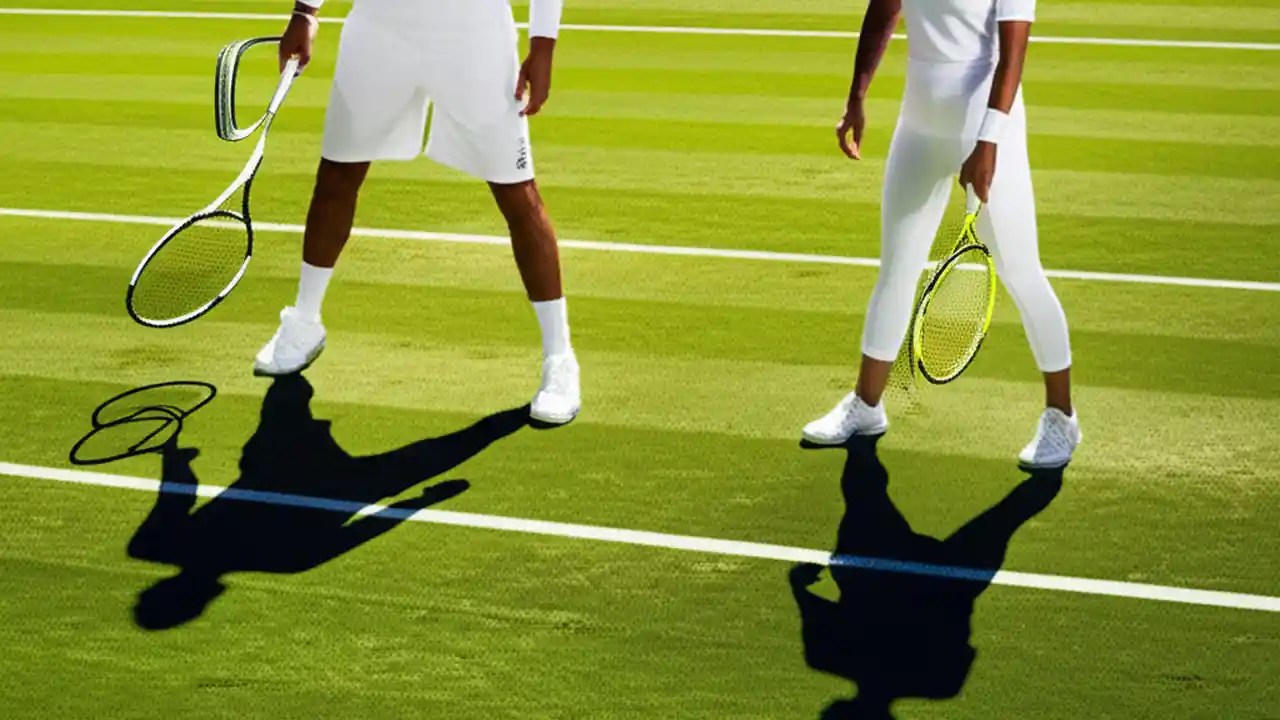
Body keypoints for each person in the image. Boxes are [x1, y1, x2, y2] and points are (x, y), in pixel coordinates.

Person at [253, 0, 580, 426]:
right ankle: (304, 322)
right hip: (379, 30)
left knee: (516, 192)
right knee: (336, 175)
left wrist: (544, 44)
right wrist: (305, 11)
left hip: (473, 36)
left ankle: (559, 358)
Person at [802, 0, 1079, 468]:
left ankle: (1062, 416)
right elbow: (886, 6)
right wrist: (857, 96)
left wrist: (988, 141)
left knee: (1022, 273)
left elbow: (1013, 52)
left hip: (989, 132)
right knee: (896, 269)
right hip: (919, 128)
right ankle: (867, 405)